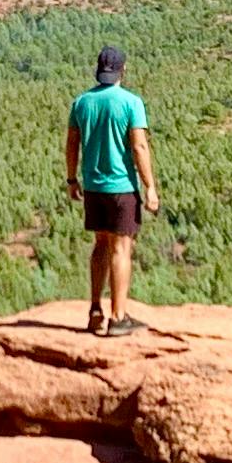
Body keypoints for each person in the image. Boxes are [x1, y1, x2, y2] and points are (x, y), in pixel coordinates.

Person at [65, 44, 157, 337]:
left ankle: (95, 310)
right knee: (121, 248)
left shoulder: (81, 103)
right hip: (121, 187)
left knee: (100, 245)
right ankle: (118, 318)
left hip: (93, 186)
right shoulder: (131, 103)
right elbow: (139, 146)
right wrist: (150, 186)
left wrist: (71, 179)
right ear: (123, 70)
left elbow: (71, 144)